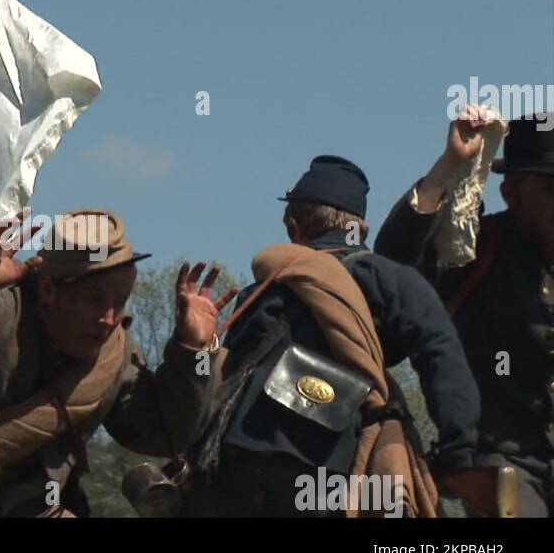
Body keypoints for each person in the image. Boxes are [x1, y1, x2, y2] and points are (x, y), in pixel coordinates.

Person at [184, 156, 480, 517]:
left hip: (234, 463)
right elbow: (439, 351)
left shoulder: (258, 292)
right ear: (362, 228)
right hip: (331, 467)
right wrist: (459, 447)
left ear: (294, 228)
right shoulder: (390, 279)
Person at [0, 209, 227, 516]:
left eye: (120, 301)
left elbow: (168, 436)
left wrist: (194, 352)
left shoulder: (115, 353)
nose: (110, 318)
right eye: (95, 300)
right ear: (47, 290)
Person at [376, 107, 554, 517]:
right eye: (549, 191)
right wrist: (449, 167)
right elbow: (396, 267)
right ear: (511, 192)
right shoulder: (476, 250)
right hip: (501, 468)